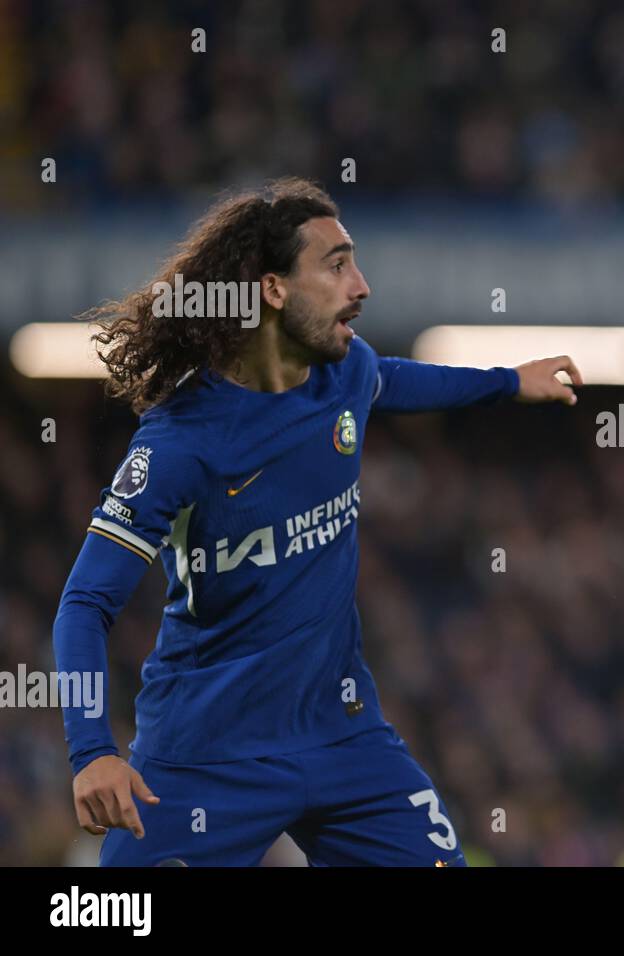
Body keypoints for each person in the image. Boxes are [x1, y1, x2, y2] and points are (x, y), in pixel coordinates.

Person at [55, 177, 581, 866]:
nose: (360, 286)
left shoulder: (346, 375)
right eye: (335, 266)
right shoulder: (181, 445)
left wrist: (508, 380)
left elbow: (401, 379)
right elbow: (84, 603)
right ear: (273, 289)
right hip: (208, 756)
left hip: (343, 739)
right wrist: (92, 751)